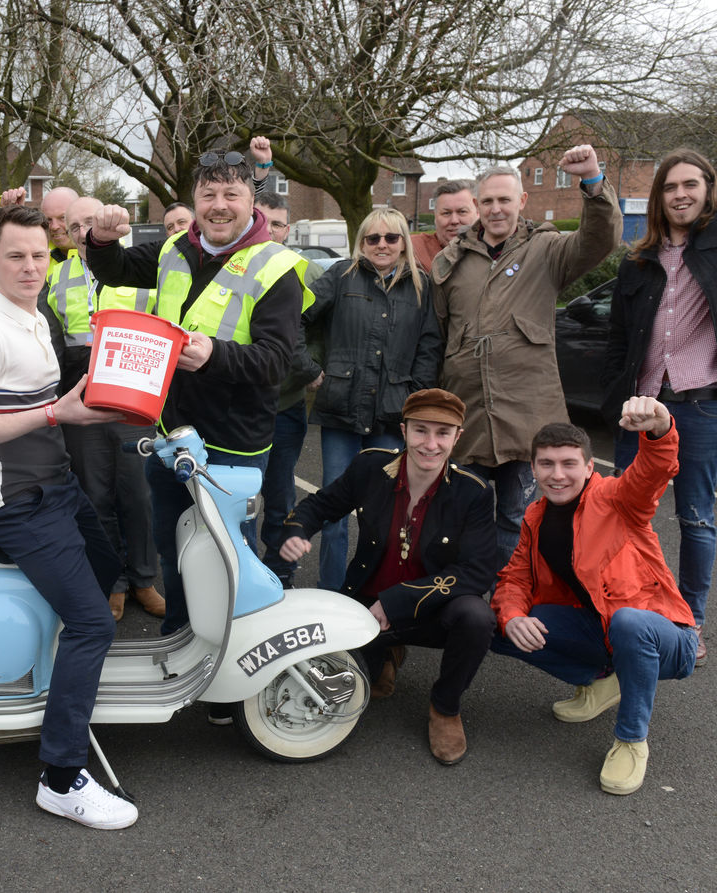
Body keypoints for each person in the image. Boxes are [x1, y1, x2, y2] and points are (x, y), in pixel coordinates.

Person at [0, 204, 137, 830]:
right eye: (15, 257)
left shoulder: (34, 316)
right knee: (93, 624)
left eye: (39, 255)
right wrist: (56, 413)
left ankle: (62, 680)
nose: (30, 267)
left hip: (53, 485)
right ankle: (60, 778)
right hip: (10, 502)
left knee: (108, 569)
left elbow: (54, 400)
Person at [86, 149, 305, 637]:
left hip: (234, 445)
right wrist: (100, 238)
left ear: (252, 201)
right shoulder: (174, 247)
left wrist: (214, 355)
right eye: (208, 194)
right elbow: (115, 269)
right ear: (195, 201)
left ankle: (229, 651)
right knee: (174, 552)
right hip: (172, 434)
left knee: (227, 557)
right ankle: (179, 641)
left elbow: (276, 361)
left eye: (232, 194)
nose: (219, 205)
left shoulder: (276, 266)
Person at [490, 398, 698, 795]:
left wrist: (659, 429)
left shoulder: (617, 500)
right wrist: (512, 615)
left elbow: (651, 473)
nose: (557, 475)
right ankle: (605, 679)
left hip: (666, 637)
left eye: (569, 464)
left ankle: (631, 740)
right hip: (601, 630)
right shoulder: (535, 517)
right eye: (547, 464)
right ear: (533, 468)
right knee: (495, 626)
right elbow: (514, 580)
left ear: (589, 467)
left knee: (629, 622)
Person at [280, 389, 497, 764]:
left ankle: (445, 707)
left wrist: (396, 601)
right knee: (348, 684)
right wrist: (297, 530)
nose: (430, 444)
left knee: (477, 619)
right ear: (404, 431)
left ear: (458, 437)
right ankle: (385, 654)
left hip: (431, 611)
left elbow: (477, 571)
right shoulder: (370, 467)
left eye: (443, 433)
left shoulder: (472, 492)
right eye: (421, 430)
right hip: (367, 604)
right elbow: (321, 504)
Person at [432, 145, 622, 572]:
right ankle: (465, 598)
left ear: (522, 200)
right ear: (477, 205)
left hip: (527, 416)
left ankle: (510, 599)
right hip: (468, 416)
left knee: (516, 520)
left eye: (505, 199)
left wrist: (592, 181)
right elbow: (439, 335)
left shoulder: (547, 250)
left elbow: (599, 239)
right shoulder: (450, 261)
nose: (496, 209)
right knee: (460, 519)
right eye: (487, 201)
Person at [603, 148, 717, 666]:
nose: (681, 194)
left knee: (696, 519)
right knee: (625, 515)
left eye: (691, 184)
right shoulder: (638, 261)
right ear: (658, 197)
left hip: (700, 406)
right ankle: (630, 609)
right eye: (670, 187)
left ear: (707, 190)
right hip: (640, 407)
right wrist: (612, 398)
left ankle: (690, 621)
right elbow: (617, 337)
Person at [307, 208, 442, 590]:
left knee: (386, 513)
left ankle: (375, 595)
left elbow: (429, 347)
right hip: (341, 410)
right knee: (334, 510)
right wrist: (308, 369)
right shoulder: (341, 276)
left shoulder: (421, 285)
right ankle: (331, 593)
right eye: (373, 238)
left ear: (403, 243)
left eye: (391, 237)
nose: (382, 245)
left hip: (390, 415)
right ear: (361, 242)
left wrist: (413, 398)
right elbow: (296, 319)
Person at [47, 195, 163, 621]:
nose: (83, 234)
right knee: (95, 495)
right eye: (74, 227)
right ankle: (113, 582)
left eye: (89, 224)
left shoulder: (138, 266)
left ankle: (144, 579)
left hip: (134, 397)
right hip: (81, 397)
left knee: (139, 494)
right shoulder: (55, 274)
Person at [255, 191, 323, 587]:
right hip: (236, 408)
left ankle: (280, 575)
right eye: (262, 221)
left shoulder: (306, 272)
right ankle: (237, 575)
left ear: (288, 230)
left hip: (285, 406)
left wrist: (312, 369)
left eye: (277, 224)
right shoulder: (231, 267)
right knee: (235, 498)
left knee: (280, 496)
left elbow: (323, 328)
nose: (269, 231)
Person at [410, 180, 478, 273]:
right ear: (435, 216)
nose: (454, 221)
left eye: (462, 212)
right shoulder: (413, 248)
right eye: (446, 213)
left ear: (478, 212)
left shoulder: (494, 252)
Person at [42, 185, 80, 272]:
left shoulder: (104, 253)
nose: (54, 227)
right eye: (48, 220)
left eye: (63, 217)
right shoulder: (37, 259)